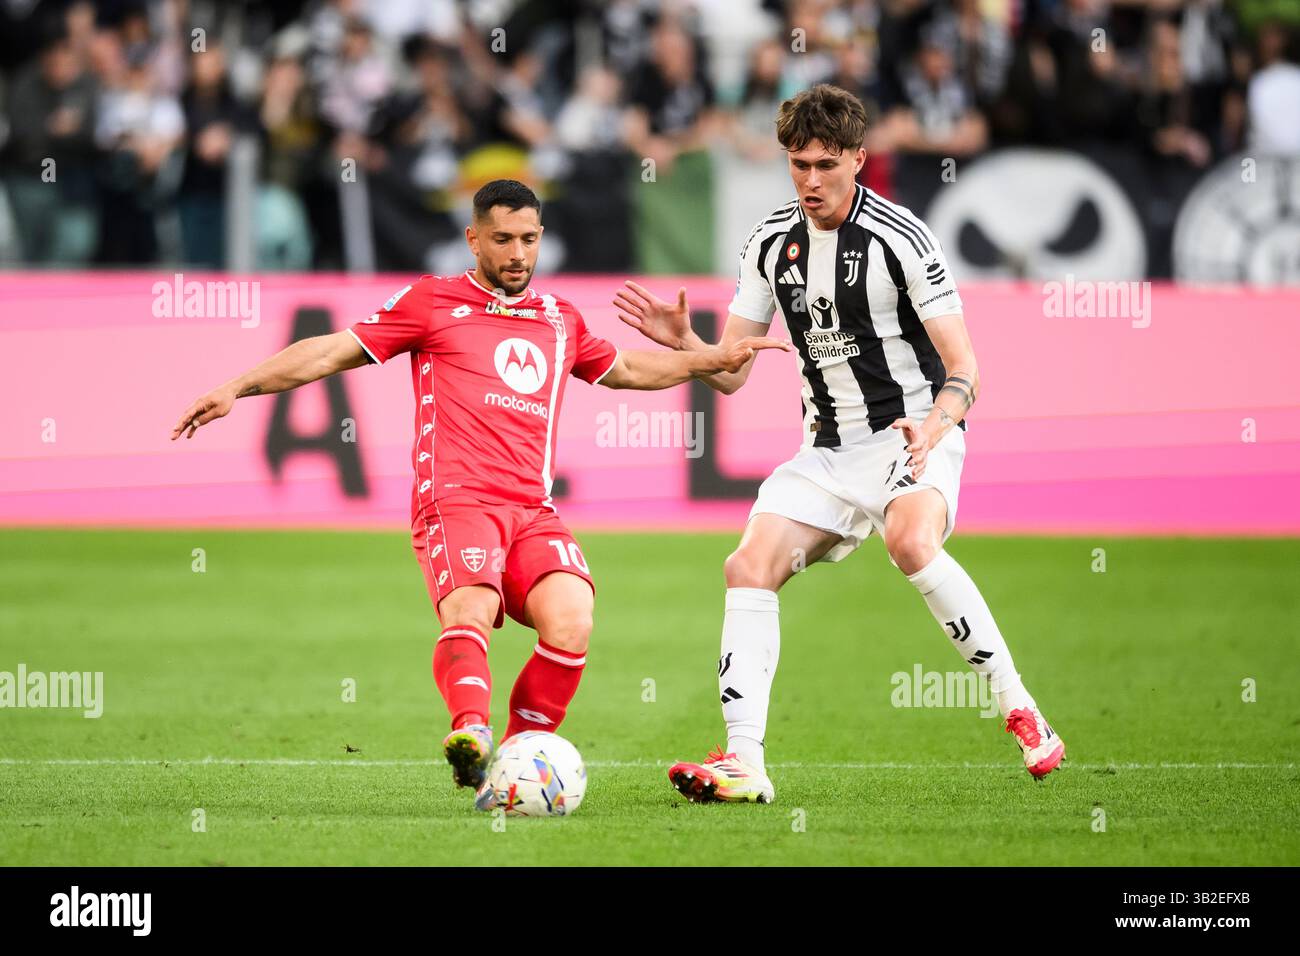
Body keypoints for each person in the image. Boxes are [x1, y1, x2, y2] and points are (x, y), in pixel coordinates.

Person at [171, 179, 790, 807]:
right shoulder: (433, 303)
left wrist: (707, 358)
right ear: (473, 240)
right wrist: (238, 387)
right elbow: (330, 352)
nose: (517, 253)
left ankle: (512, 767)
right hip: (457, 499)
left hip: (532, 508)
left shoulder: (559, 319)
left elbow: (627, 370)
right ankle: (470, 729)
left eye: (528, 239)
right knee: (467, 609)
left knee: (572, 617)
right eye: (501, 239)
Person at [613, 85, 1064, 804]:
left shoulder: (902, 238)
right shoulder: (769, 243)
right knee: (746, 566)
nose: (811, 180)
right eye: (798, 164)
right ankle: (745, 762)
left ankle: (1018, 706)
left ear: (859, 157)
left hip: (911, 431)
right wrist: (694, 348)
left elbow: (967, 369)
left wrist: (936, 426)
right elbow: (730, 374)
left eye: (827, 163)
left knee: (912, 543)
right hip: (825, 453)